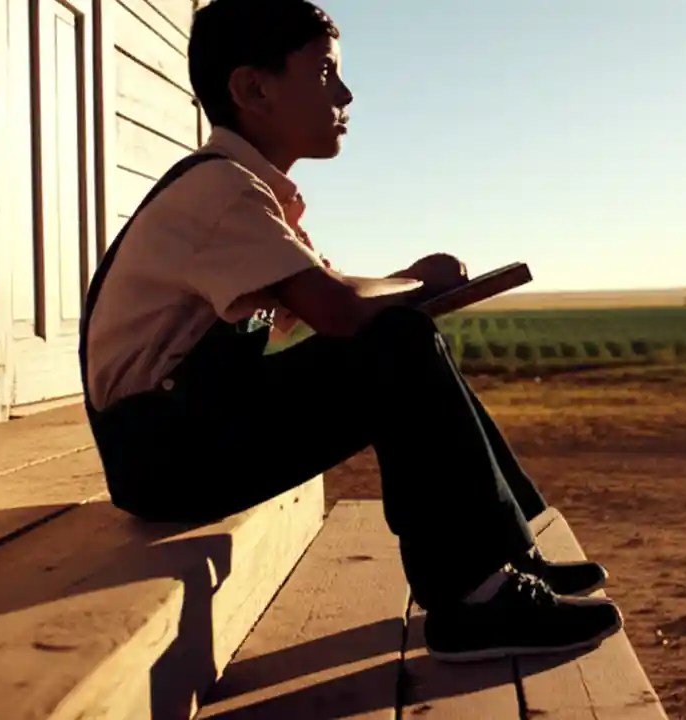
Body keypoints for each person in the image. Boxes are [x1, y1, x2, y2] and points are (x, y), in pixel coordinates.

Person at [78, 0, 623, 662]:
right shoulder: (223, 194)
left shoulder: (237, 189)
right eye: (326, 72)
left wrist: (410, 286)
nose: (346, 93)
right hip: (161, 455)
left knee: (401, 338)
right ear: (253, 88)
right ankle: (475, 598)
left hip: (175, 438)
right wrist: (415, 291)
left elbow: (327, 298)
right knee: (401, 343)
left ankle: (510, 554)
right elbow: (338, 312)